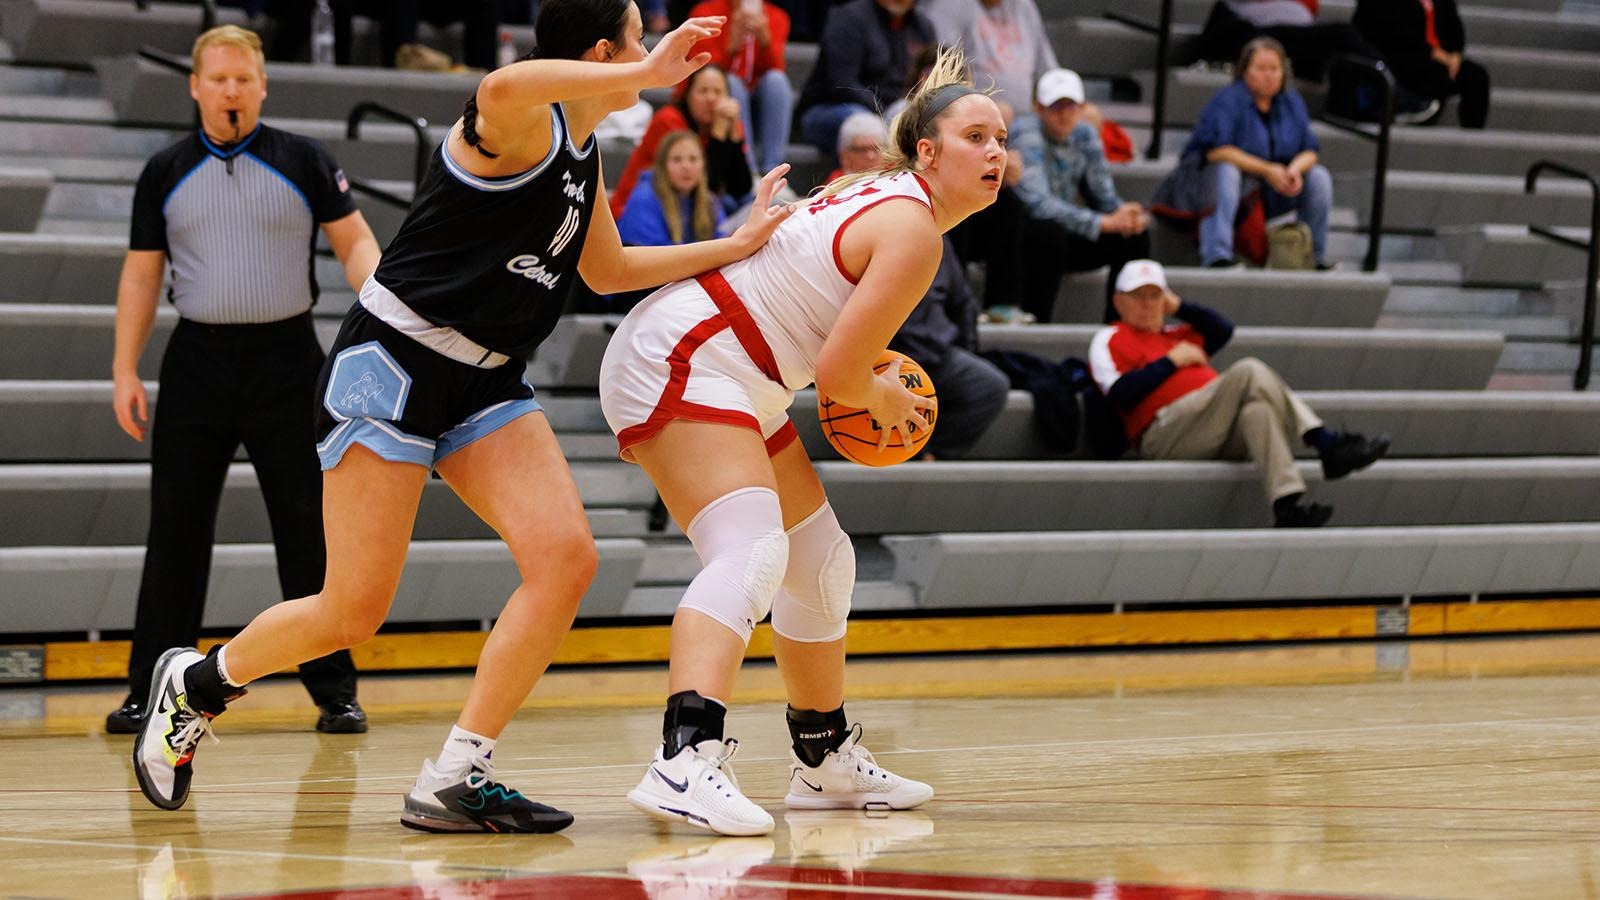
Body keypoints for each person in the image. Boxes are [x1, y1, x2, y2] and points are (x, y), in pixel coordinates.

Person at [131, 0, 797, 834]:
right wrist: (644, 73)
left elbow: (612, 268)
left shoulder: (581, 156)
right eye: (635, 36)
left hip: (483, 379)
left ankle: (456, 771)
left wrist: (735, 244)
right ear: (605, 51)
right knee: (352, 610)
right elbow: (499, 78)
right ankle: (196, 685)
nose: (648, 51)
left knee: (566, 560)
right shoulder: (521, 121)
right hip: (395, 361)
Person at [598, 46, 1001, 836]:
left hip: (736, 367)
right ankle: (684, 757)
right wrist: (886, 398)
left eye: (1000, 139)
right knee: (751, 552)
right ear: (927, 152)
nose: (995, 153)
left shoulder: (877, 190)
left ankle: (822, 763)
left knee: (820, 558)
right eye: (976, 137)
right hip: (689, 356)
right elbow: (841, 373)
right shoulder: (913, 228)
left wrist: (868, 387)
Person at [108, 25, 380, 737]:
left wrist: (378, 304)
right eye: (218, 79)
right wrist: (122, 367)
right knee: (175, 529)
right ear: (195, 86)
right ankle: (148, 688)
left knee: (306, 529)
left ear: (263, 85)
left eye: (243, 79)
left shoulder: (304, 160)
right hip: (196, 361)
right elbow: (141, 273)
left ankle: (335, 691)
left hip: (288, 364)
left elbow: (352, 240)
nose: (231, 91)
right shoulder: (164, 171)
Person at [1088, 260, 1390, 528]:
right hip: (1164, 433)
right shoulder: (1110, 338)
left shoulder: (1177, 335)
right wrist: (1171, 363)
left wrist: (1179, 307)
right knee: (1248, 369)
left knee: (1257, 411)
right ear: (1118, 301)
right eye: (1138, 296)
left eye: (1155, 295)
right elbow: (1119, 394)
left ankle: (1287, 506)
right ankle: (1326, 443)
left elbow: (1222, 328)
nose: (1147, 304)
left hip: (1209, 429)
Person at [1177, 37, 1333, 270]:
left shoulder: (1291, 102)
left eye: (1274, 69)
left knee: (1318, 177)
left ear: (1284, 73)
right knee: (1226, 171)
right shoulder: (1228, 99)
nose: (1268, 75)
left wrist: (1292, 171)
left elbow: (1310, 150)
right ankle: (1217, 255)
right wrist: (1267, 170)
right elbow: (1216, 152)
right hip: (1232, 186)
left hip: (1275, 188)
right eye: (1261, 68)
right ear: (1245, 71)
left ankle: (1314, 258)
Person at [1007, 68, 1149, 323]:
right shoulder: (1025, 132)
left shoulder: (1085, 134)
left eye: (1070, 106)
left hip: (1066, 232)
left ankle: (1121, 327)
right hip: (1022, 238)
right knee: (1050, 232)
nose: (1063, 114)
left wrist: (1125, 215)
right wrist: (1103, 223)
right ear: (1039, 108)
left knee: (1133, 236)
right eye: (1055, 107)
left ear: (1082, 108)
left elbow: (1104, 195)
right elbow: (1038, 204)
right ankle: (1038, 320)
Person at [889, 235, 1009, 459]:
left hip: (937, 354)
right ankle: (901, 455)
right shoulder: (867, 231)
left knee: (989, 385)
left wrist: (966, 348)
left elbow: (962, 303)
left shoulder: (938, 237)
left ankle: (932, 455)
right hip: (881, 359)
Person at [795, 0, 936, 158]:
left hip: (892, 108)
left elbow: (927, 77)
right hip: (830, 108)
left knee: (920, 117)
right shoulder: (849, 18)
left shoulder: (922, 26)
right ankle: (856, 181)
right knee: (866, 125)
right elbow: (842, 83)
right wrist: (882, 111)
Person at [610, 64, 755, 217]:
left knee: (746, 203)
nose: (711, 99)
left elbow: (741, 188)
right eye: (703, 91)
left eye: (718, 92)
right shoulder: (668, 121)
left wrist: (734, 137)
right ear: (687, 95)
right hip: (638, 214)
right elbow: (697, 186)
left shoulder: (726, 123)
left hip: (686, 214)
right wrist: (718, 135)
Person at [687, 0, 794, 174]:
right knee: (733, 83)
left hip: (759, 101)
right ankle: (749, 171)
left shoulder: (777, 16)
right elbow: (704, 75)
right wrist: (731, 46)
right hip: (727, 97)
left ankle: (773, 170)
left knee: (777, 81)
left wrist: (765, 42)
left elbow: (776, 69)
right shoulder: (706, 12)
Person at [1353, 0, 1489, 129]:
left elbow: (1454, 27)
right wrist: (1433, 53)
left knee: (1476, 76)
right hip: (1400, 57)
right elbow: (1390, 30)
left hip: (1440, 59)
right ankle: (1421, 120)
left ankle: (1473, 131)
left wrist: (1455, 55)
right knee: (1436, 72)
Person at [618, 130, 727, 246]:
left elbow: (721, 238)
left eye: (693, 159)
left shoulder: (708, 201)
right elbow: (656, 257)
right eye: (676, 159)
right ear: (662, 166)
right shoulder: (643, 200)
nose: (686, 166)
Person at [824, 110, 887, 182]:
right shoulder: (833, 189)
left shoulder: (894, 180)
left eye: (876, 149)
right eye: (862, 150)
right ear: (844, 156)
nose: (870, 156)